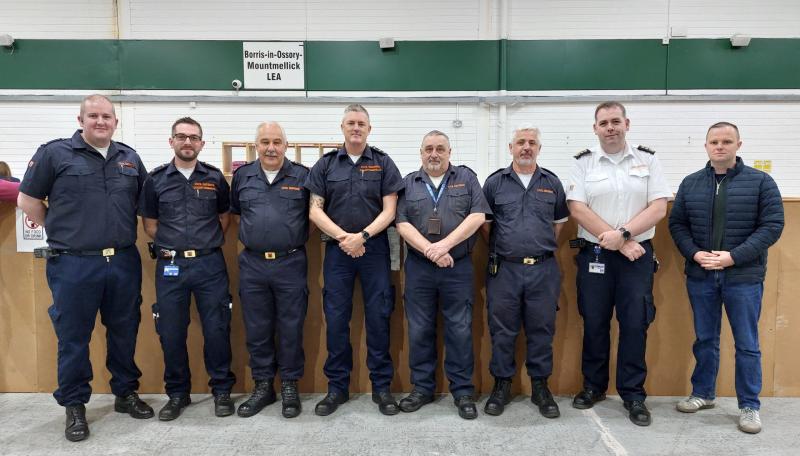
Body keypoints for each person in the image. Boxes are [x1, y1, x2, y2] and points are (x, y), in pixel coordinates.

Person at [17, 94, 153, 442]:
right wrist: (61, 230)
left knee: (125, 331)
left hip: (122, 260)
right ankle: (75, 405)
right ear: (81, 120)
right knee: (73, 337)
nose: (100, 121)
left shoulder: (129, 158)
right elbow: (27, 200)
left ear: (115, 122)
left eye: (106, 116)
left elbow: (144, 205)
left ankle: (125, 393)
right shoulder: (54, 153)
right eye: (93, 116)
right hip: (74, 263)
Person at [669, 122, 783, 434]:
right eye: (714, 141)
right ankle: (703, 393)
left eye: (727, 141)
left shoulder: (761, 182)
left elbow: (772, 226)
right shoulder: (691, 183)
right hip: (701, 275)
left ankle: (749, 405)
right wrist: (695, 254)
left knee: (747, 344)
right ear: (706, 146)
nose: (720, 146)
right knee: (705, 339)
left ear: (738, 145)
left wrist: (733, 256)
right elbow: (677, 225)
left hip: (743, 276)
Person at [566, 101, 670, 426]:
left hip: (637, 256)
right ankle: (593, 387)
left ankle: (633, 394)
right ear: (595, 128)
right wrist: (616, 241)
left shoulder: (648, 159)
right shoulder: (583, 163)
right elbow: (577, 208)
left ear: (627, 124)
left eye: (615, 121)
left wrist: (623, 236)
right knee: (595, 322)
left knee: (635, 324)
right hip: (595, 254)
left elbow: (658, 207)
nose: (610, 128)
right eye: (603, 123)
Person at [304, 104, 403, 416]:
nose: (356, 128)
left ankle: (382, 388)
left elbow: (390, 210)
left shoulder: (384, 163)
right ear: (343, 128)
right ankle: (337, 388)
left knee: (378, 318)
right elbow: (314, 210)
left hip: (373, 250)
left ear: (369, 129)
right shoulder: (325, 165)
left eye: (361, 123)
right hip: (337, 252)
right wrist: (344, 238)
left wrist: (362, 237)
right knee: (336, 320)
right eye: (351, 123)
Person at [139, 117, 236, 421]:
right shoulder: (155, 180)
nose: (188, 142)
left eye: (194, 138)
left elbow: (224, 218)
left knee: (217, 328)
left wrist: (202, 244)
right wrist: (178, 246)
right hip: (171, 265)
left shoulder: (215, 178)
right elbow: (150, 225)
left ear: (202, 143)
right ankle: (178, 394)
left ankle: (221, 391)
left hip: (210, 263)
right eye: (181, 137)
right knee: (171, 332)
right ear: (172, 142)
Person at [395, 130, 490, 420]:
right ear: (420, 152)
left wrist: (445, 246)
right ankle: (422, 388)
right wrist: (430, 250)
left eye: (440, 148)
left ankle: (462, 391)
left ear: (450, 152)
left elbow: (477, 216)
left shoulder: (467, 178)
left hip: (457, 266)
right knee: (419, 328)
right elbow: (401, 222)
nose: (434, 154)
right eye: (428, 149)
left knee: (460, 329)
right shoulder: (408, 183)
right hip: (420, 269)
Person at [481, 125, 568, 418]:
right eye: (521, 142)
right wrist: (511, 250)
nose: (526, 147)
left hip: (543, 270)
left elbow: (558, 225)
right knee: (502, 330)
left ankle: (541, 387)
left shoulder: (552, 183)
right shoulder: (494, 183)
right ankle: (501, 384)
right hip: (504, 269)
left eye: (532, 142)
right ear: (511, 148)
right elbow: (485, 226)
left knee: (541, 329)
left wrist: (536, 249)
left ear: (539, 149)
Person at [230, 121, 309, 419]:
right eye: (265, 142)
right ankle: (263, 386)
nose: (271, 147)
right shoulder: (242, 176)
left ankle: (289, 384)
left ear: (286, 146)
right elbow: (236, 215)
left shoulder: (302, 176)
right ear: (256, 146)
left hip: (290, 262)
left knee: (291, 326)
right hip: (252, 263)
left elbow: (311, 219)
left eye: (277, 141)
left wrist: (286, 240)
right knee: (257, 327)